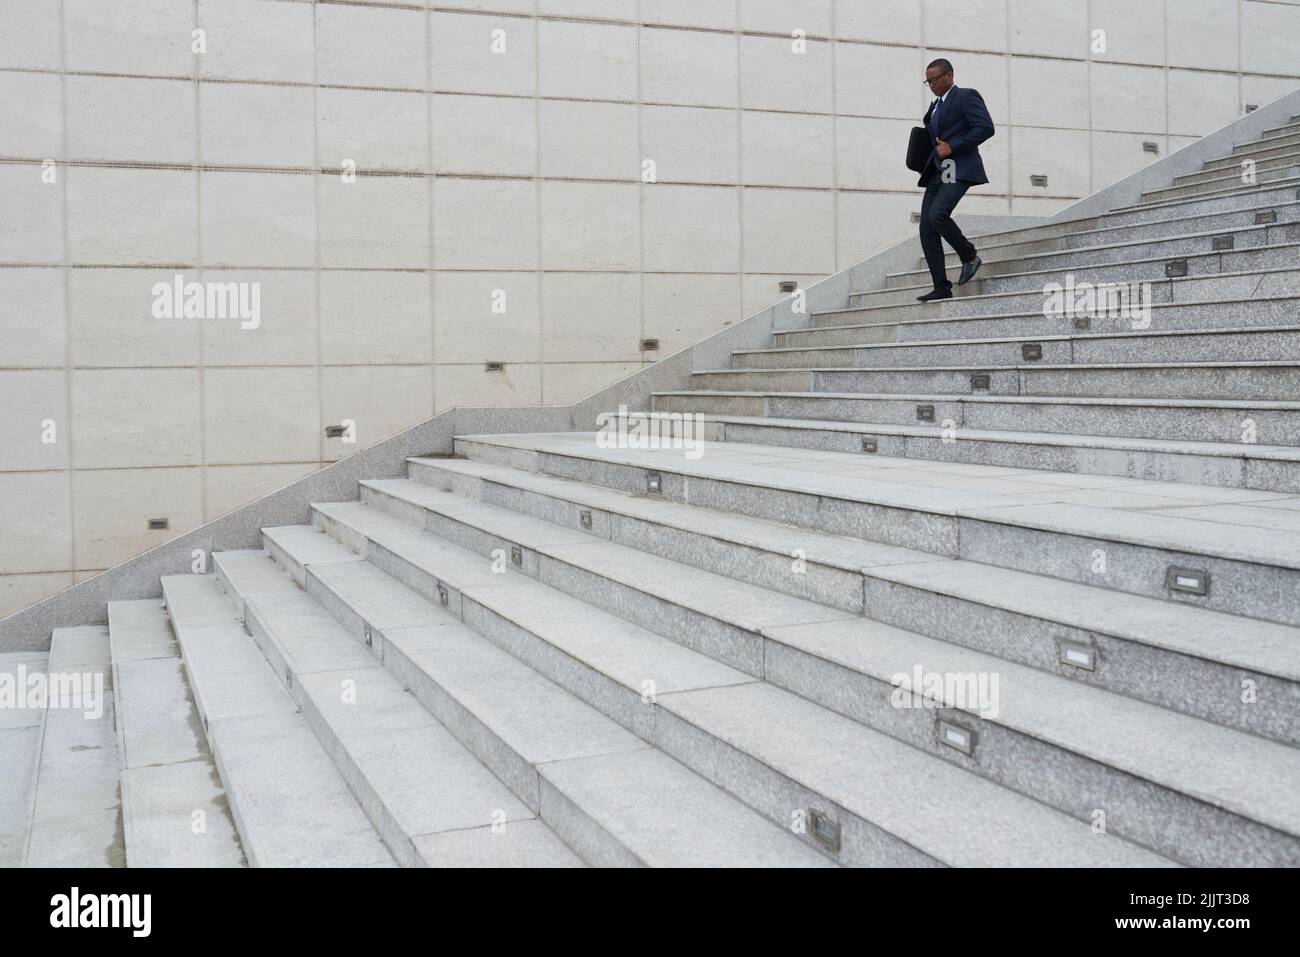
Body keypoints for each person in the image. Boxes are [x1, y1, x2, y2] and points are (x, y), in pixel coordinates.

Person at [915, 58, 995, 302]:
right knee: (926, 228)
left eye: (935, 79)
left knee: (937, 214)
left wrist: (953, 146)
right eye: (928, 81)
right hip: (938, 170)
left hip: (959, 166)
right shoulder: (936, 105)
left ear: (949, 75)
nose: (931, 85)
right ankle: (941, 286)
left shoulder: (966, 96)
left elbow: (985, 128)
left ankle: (969, 256)